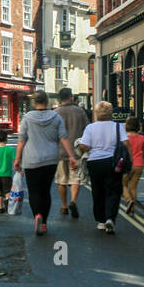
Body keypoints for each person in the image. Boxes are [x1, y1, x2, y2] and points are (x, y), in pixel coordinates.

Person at [15, 89, 78, 236]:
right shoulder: (56, 117)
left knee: (34, 191)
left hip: (31, 160)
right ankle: (44, 223)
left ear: (35, 102)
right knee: (45, 191)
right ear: (47, 101)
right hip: (50, 159)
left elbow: (21, 141)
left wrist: (17, 159)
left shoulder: (27, 118)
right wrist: (72, 157)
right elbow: (63, 138)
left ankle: (37, 215)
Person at [74, 101, 124, 234]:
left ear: (96, 114)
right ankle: (110, 218)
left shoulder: (91, 128)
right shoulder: (118, 127)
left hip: (95, 162)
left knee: (98, 191)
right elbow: (125, 143)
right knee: (113, 191)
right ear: (111, 113)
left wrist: (82, 146)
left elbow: (84, 146)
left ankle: (101, 221)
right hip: (112, 162)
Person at [55, 87, 91, 218]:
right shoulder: (80, 112)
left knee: (61, 180)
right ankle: (73, 201)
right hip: (76, 152)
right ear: (70, 97)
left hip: (60, 152)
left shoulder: (56, 113)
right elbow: (88, 130)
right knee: (75, 179)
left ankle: (64, 205)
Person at [122, 116, 144, 215]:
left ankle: (129, 200)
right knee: (133, 187)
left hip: (127, 165)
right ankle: (132, 209)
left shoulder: (124, 138)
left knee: (124, 185)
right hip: (139, 165)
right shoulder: (142, 138)